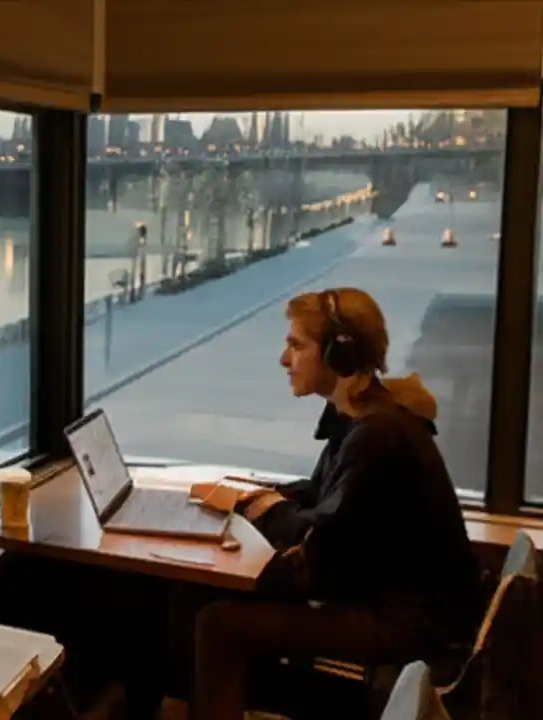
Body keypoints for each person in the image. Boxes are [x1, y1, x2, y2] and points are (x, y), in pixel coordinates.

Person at [189, 287, 483, 720]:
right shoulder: (366, 415)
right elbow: (320, 494)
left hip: (408, 623)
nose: (284, 359)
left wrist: (266, 508)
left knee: (216, 624)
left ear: (338, 355)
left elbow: (321, 550)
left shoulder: (376, 436)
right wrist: (252, 496)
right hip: (412, 609)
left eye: (296, 345)